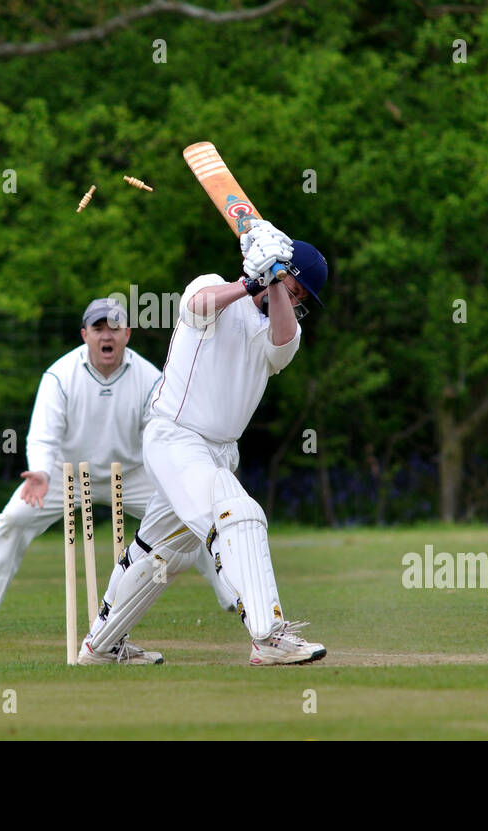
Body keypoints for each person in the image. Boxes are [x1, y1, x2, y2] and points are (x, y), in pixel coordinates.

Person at [79, 221, 328, 666]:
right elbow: (195, 306)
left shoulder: (283, 330)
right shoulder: (215, 288)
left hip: (218, 451)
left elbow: (284, 340)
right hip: (174, 436)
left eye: (301, 299)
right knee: (240, 511)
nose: (295, 303)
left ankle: (101, 647)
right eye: (296, 290)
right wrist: (253, 280)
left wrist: (275, 283)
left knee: (163, 552)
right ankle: (268, 635)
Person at [0, 298, 235, 662]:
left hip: (131, 474)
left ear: (127, 334)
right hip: (65, 474)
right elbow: (43, 434)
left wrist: (175, 477)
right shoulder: (60, 375)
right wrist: (39, 470)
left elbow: (160, 434)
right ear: (85, 334)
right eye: (99, 328)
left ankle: (232, 593)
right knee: (14, 519)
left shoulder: (149, 377)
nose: (107, 336)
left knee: (193, 518)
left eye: (114, 328)